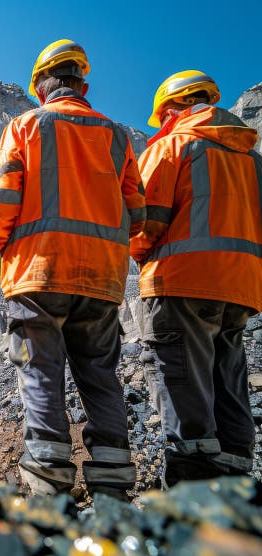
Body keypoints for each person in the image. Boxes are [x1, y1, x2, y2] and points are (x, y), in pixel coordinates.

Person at [0, 39, 145, 498]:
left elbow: (1, 201)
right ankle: (113, 486)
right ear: (83, 83)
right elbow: (139, 210)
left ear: (41, 86)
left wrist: (3, 246)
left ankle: (50, 486)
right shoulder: (116, 136)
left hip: (39, 273)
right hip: (101, 280)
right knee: (99, 374)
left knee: (39, 372)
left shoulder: (25, 127)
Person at [131, 70, 262, 487]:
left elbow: (144, 224)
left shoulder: (171, 146)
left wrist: (140, 258)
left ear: (172, 108)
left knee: (180, 379)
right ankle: (239, 483)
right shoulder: (252, 159)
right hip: (240, 288)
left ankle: (192, 493)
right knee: (228, 377)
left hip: (181, 282)